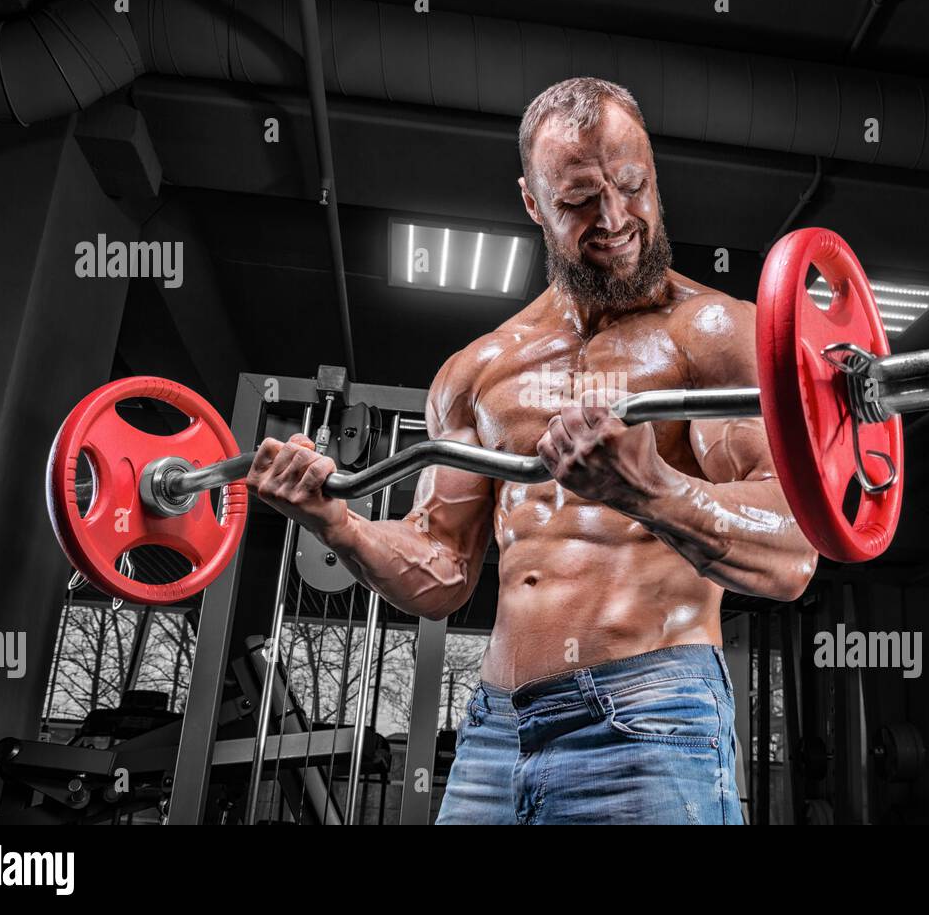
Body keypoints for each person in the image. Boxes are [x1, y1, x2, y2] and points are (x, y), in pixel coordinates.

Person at [246, 77, 818, 824]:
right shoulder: (476, 371)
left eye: (634, 184)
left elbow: (793, 552)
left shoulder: (710, 333)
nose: (615, 218)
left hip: (648, 716)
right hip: (494, 731)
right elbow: (444, 570)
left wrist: (650, 491)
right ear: (532, 203)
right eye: (579, 199)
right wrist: (338, 525)